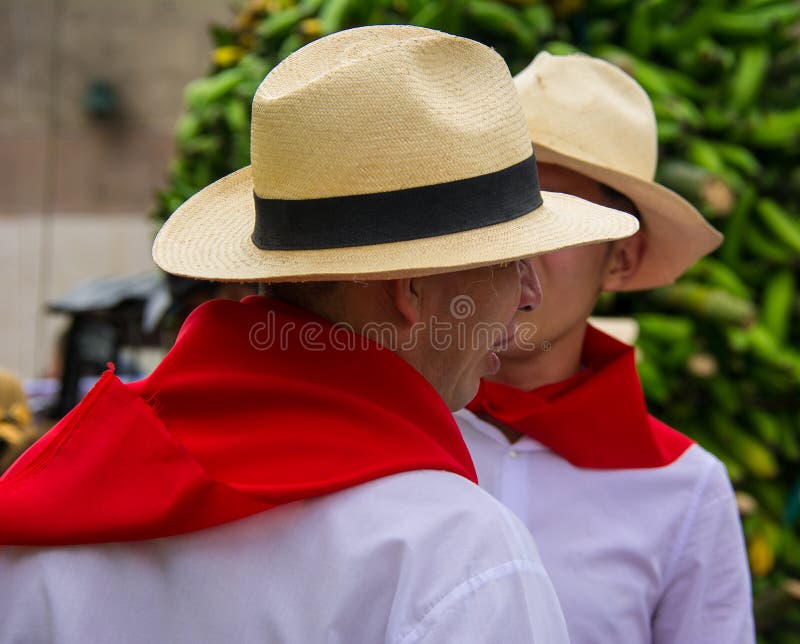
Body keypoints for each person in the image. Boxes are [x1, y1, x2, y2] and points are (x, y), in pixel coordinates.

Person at [0, 28, 638, 643]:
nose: (529, 295)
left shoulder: (47, 496)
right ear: (411, 289)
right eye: (510, 263)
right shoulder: (452, 552)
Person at [458, 52, 755, 644]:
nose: (515, 250)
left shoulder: (686, 488)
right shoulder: (382, 428)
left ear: (620, 259)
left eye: (554, 217)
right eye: (499, 212)